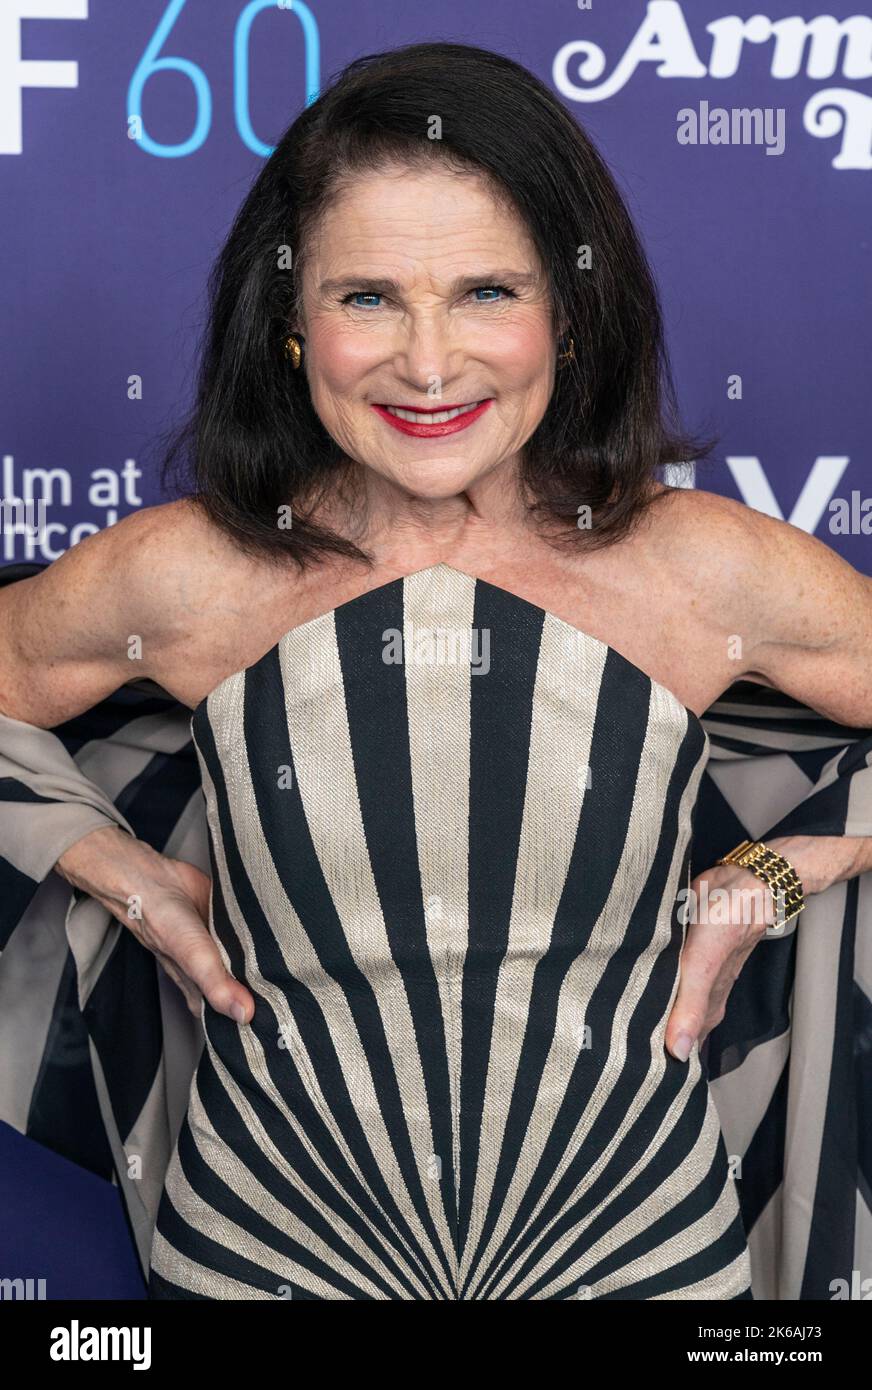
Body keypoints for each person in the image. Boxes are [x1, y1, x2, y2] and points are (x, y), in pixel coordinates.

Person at [1, 41, 870, 1300]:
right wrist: (111, 866)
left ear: (569, 315)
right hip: (261, 1257)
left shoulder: (699, 572)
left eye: (483, 293)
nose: (425, 363)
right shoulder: (188, 577)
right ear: (288, 322)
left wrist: (789, 863)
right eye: (365, 298)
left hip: (643, 1260)